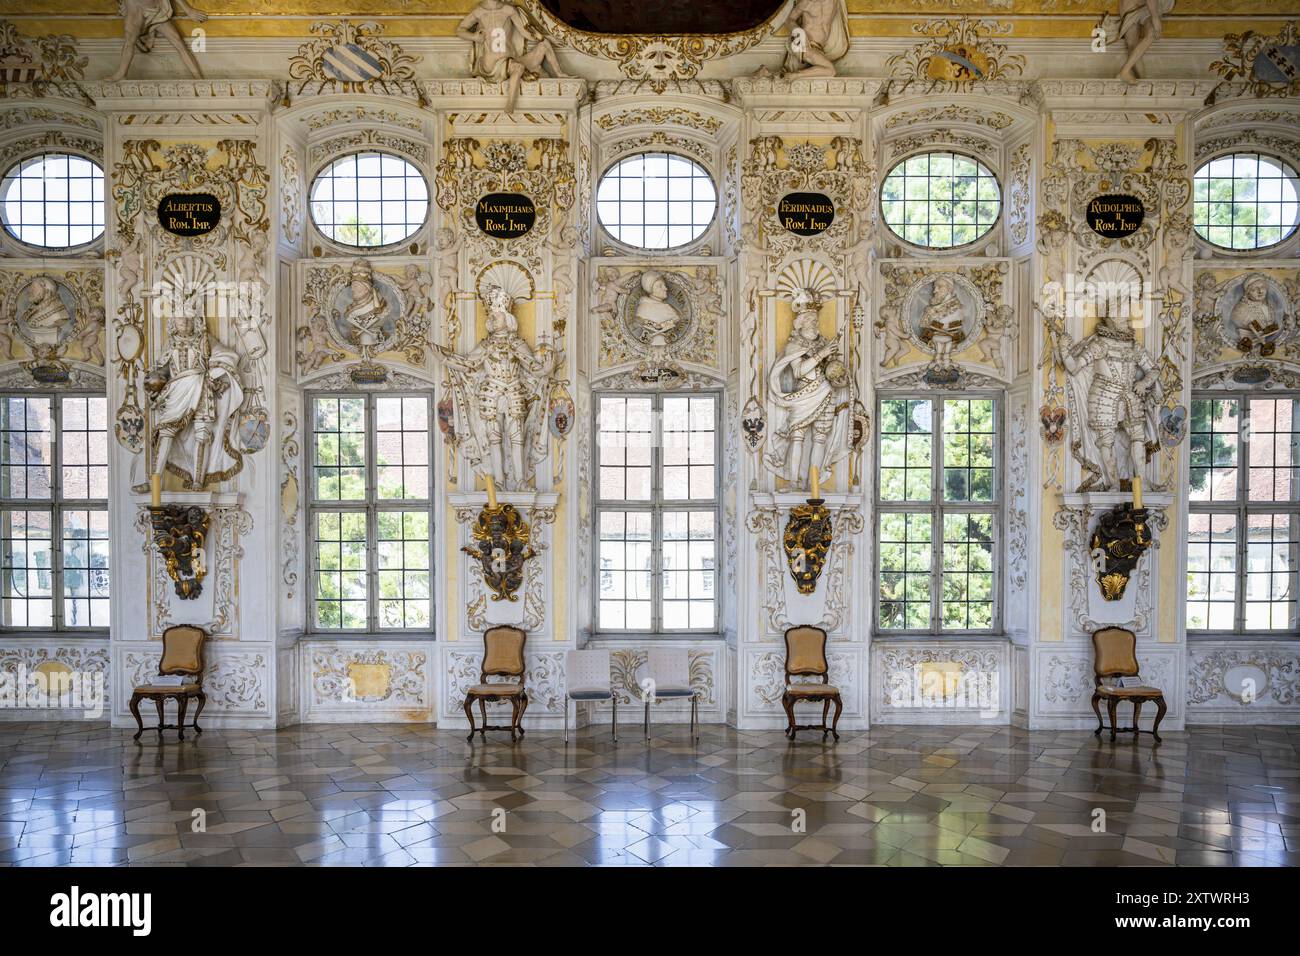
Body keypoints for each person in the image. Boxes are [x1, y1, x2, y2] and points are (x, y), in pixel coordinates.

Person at [456, 1, 568, 113]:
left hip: (510, 60)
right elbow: (460, 30)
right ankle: (510, 105)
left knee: (544, 44)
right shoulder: (479, 11)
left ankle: (559, 73)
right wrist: (474, 37)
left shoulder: (508, 10)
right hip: (492, 65)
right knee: (518, 67)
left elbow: (525, 32)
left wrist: (547, 37)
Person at [109, 0, 208, 82]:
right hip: (136, 9)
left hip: (155, 9)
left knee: (177, 40)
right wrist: (188, 10)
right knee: (130, 39)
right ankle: (121, 73)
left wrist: (189, 10)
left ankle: (198, 78)